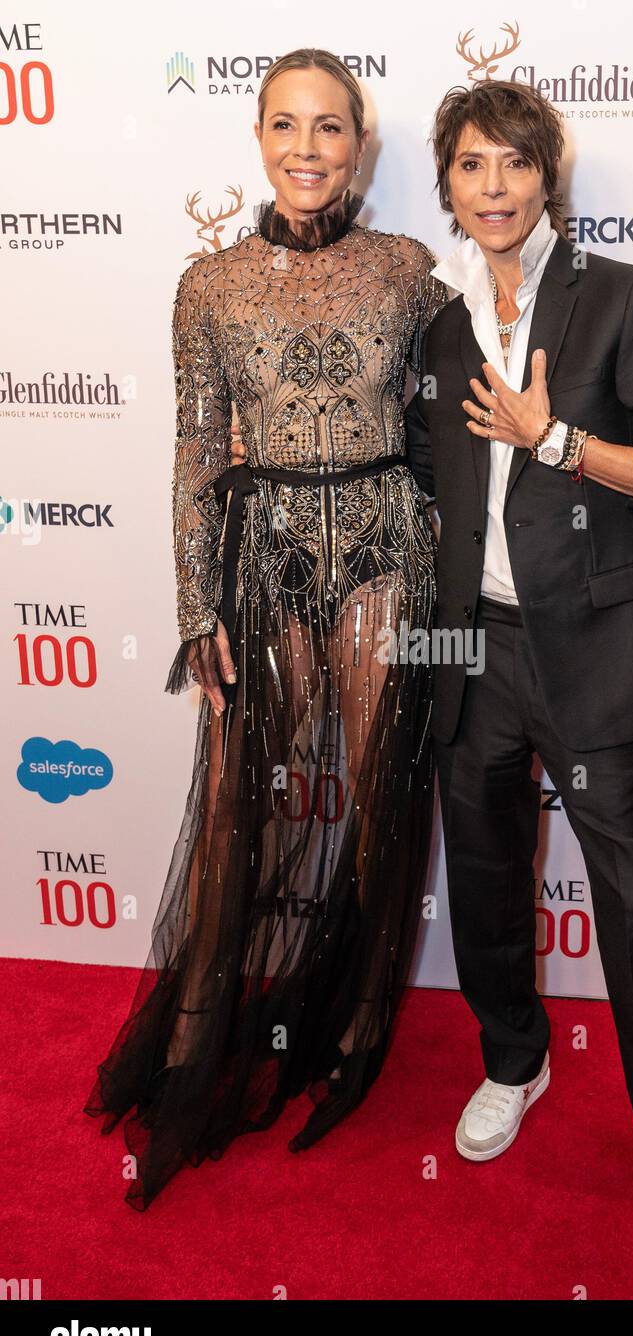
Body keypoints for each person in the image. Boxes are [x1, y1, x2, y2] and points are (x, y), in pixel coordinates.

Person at [83, 49, 448, 1212]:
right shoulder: (208, 285)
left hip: (388, 539)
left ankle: (357, 1020)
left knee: (382, 791)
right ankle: (198, 1024)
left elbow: (464, 394)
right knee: (243, 791)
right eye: (286, 125)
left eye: (330, 128)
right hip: (263, 549)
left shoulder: (406, 269)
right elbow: (197, 450)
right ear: (256, 137)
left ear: (361, 146)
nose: (307, 148)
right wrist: (197, 607)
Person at [404, 79, 633, 1260]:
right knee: (485, 882)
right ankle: (514, 1061)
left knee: (632, 904)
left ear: (549, 175)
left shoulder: (626, 301)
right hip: (468, 644)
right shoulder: (440, 331)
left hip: (585, 648)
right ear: (447, 184)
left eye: (514, 164)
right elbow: (426, 495)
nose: (493, 188)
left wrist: (557, 441)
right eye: (472, 167)